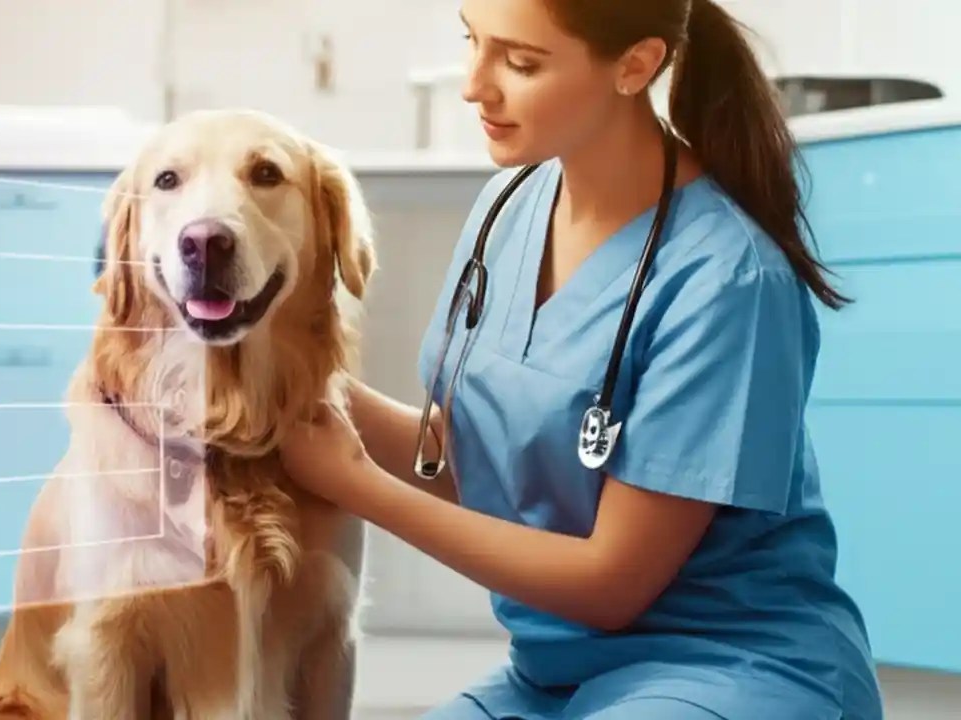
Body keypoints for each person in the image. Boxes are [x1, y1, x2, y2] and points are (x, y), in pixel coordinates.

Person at [278, 0, 885, 718]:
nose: (474, 86)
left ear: (635, 65)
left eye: (520, 62)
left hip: (730, 667)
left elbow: (612, 583)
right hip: (553, 678)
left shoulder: (727, 279)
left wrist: (353, 483)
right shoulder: (507, 209)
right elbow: (480, 462)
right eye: (473, 42)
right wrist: (298, 387)